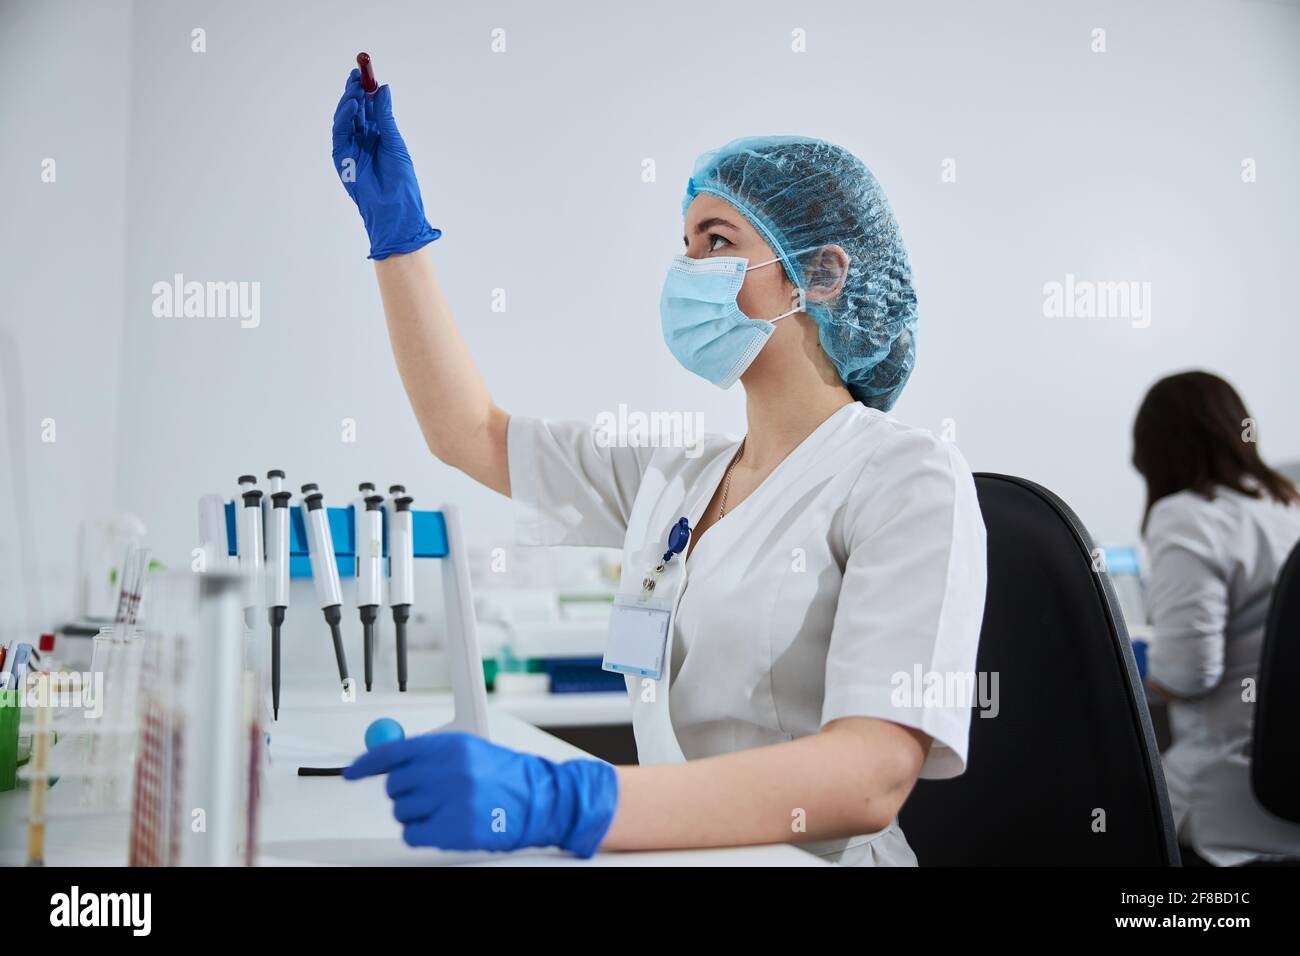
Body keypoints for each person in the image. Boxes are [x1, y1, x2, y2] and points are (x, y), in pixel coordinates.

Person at [330, 69, 987, 865]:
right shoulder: (678, 478)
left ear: (820, 275)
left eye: (718, 242)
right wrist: (397, 239)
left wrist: (569, 801)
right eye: (685, 246)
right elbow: (470, 433)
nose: (687, 271)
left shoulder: (908, 478)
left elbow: (870, 774)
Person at [1134, 371, 1300, 865]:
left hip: (1224, 805)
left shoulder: (1187, 516)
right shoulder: (1288, 506)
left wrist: (1122, 662)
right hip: (1288, 797)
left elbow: (1187, 672)